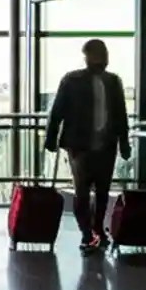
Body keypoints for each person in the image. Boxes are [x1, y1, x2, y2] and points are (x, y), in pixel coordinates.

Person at [44, 39, 132, 252]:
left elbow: (120, 115)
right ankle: (88, 233)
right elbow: (57, 111)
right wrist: (51, 137)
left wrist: (123, 142)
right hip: (80, 146)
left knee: (101, 193)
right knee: (82, 192)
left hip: (105, 145)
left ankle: (96, 231)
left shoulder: (113, 82)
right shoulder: (72, 80)